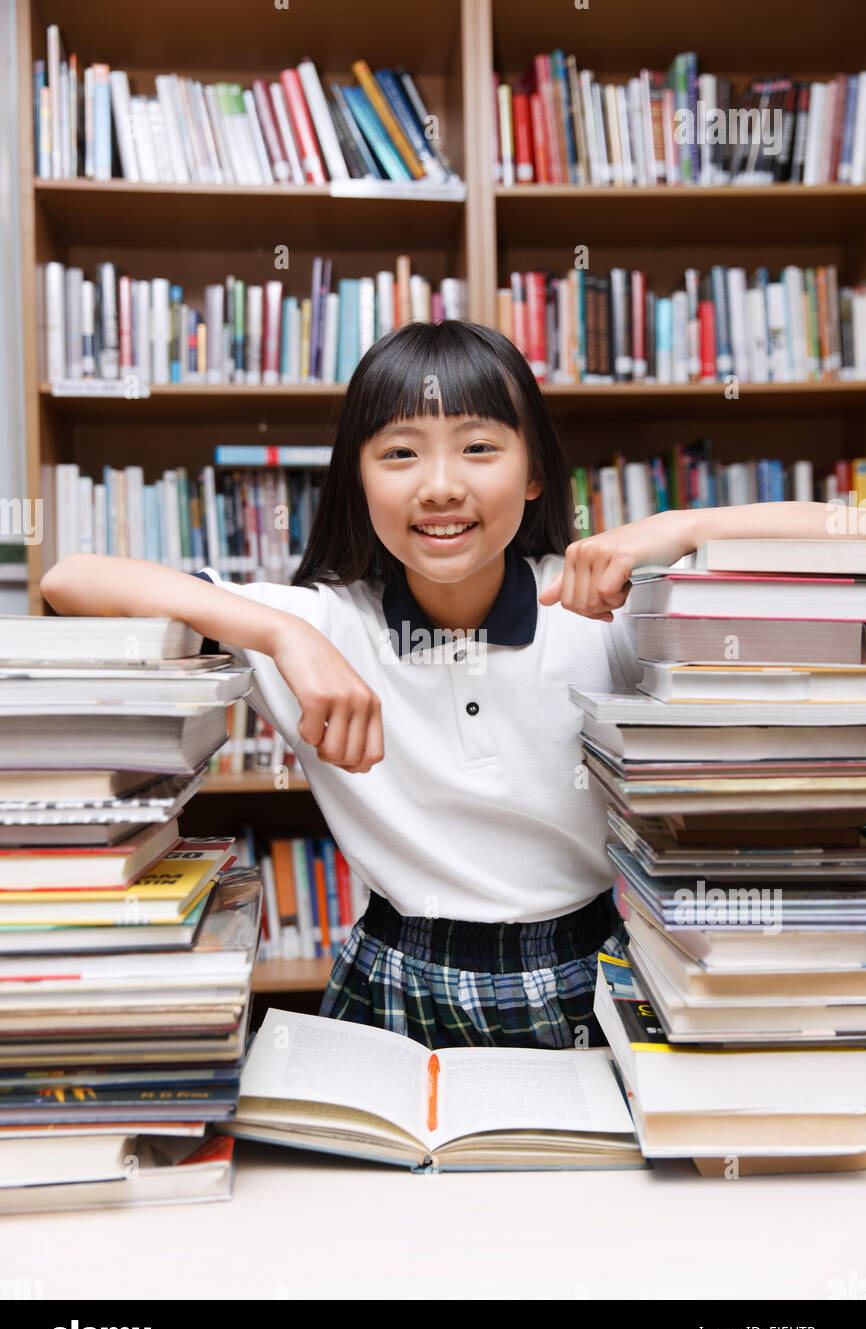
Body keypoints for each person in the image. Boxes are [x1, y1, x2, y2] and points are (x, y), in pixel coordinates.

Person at [41, 320, 843, 1049]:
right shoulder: (321, 625)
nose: (440, 485)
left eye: (479, 448)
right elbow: (72, 578)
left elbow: (849, 533)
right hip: (393, 977)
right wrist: (284, 635)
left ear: (534, 474)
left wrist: (682, 527)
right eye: (400, 453)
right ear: (357, 481)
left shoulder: (602, 608)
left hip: (591, 970)